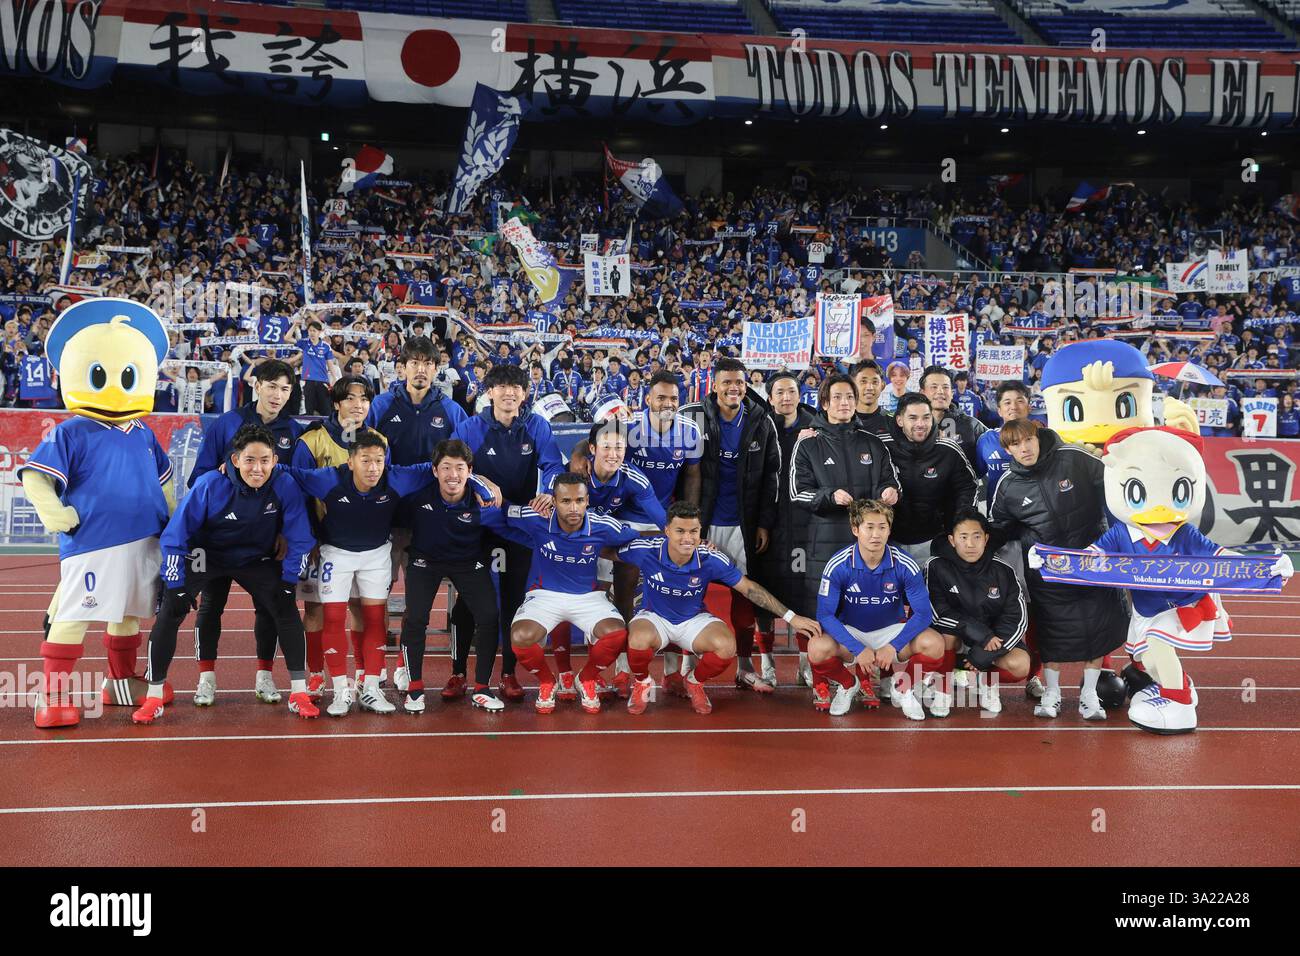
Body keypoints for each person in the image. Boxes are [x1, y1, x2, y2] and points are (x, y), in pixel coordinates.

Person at [135, 425, 316, 724]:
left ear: (274, 460)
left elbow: (300, 538)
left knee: (285, 607)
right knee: (171, 609)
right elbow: (174, 536)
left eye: (264, 461)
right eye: (249, 460)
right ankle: (154, 696)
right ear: (235, 460)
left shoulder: (284, 485)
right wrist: (176, 584)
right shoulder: (209, 484)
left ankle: (298, 692)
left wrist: (288, 580)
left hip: (253, 557)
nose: (257, 468)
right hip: (207, 554)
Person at [282, 429, 454, 716]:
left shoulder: (396, 477)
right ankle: (340, 690)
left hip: (376, 555)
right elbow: (290, 472)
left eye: (378, 460)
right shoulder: (329, 479)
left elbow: (437, 467)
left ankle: (371, 687)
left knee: (375, 619)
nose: (373, 468)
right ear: (350, 462)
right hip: (335, 555)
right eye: (365, 461)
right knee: (333, 618)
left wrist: (480, 478)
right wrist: (241, 464)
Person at [619, 502, 821, 715]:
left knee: (726, 646)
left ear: (700, 532)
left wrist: (792, 617)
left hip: (692, 620)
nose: (687, 538)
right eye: (680, 531)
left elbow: (750, 589)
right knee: (637, 638)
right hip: (655, 618)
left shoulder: (711, 557)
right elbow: (603, 548)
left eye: (693, 531)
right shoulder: (646, 550)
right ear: (667, 530)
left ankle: (694, 681)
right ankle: (642, 682)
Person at [990, 418, 1128, 720]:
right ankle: (1052, 694)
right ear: (1008, 450)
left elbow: (1117, 483)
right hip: (1048, 574)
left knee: (1097, 628)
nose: (1023, 448)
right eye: (1015, 444)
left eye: (1028, 440)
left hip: (1094, 564)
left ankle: (1090, 696)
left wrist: (1120, 537)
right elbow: (1000, 529)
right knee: (1052, 634)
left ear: (1038, 437)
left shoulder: (1074, 458)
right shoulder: (1008, 487)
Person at [186, 359, 302, 707]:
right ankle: (206, 679)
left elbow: (292, 487)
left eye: (285, 389)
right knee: (211, 606)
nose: (277, 395)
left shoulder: (293, 431)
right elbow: (199, 478)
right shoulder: (228, 423)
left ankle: (264, 677)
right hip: (218, 537)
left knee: (268, 608)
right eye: (271, 386)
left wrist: (285, 531)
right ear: (256, 385)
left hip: (262, 537)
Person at [452, 364, 565, 701]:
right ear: (489, 392)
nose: (509, 393)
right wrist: (480, 481)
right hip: (479, 527)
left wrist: (550, 488)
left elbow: (554, 466)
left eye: (516, 387)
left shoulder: (536, 426)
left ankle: (508, 674)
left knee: (515, 604)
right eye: (501, 386)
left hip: (520, 528)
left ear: (525, 394)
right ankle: (458, 672)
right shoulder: (470, 427)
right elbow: (453, 468)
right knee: (467, 603)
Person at [365, 335, 468, 690]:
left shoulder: (451, 410)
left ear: (436, 369)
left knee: (417, 599)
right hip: (384, 516)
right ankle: (373, 666)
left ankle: (403, 664)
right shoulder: (380, 405)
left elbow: (463, 464)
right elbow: (365, 455)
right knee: (376, 594)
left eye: (428, 363)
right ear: (402, 367)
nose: (421, 369)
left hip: (428, 519)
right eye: (414, 362)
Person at [790, 373, 900, 705]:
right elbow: (797, 491)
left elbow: (890, 479)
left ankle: (865, 680)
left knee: (863, 615)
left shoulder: (872, 442)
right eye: (837, 397)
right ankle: (825, 680)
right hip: (826, 541)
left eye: (849, 397)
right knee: (823, 615)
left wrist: (892, 491)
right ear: (824, 403)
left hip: (869, 545)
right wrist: (826, 496)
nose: (844, 403)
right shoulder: (808, 441)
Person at [679, 356, 782, 693]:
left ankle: (744, 665)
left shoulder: (760, 421)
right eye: (727, 382)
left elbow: (771, 477)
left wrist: (764, 522)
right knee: (690, 589)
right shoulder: (693, 416)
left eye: (739, 382)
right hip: (701, 523)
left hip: (743, 523)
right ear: (715, 385)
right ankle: (685, 664)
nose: (734, 388)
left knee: (743, 595)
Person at [506, 474, 640, 713]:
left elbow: (635, 539)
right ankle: (547, 682)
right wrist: (486, 489)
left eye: (579, 500)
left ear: (588, 500)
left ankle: (586, 678)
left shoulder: (603, 524)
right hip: (544, 595)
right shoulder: (536, 518)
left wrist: (686, 542)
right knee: (520, 636)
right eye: (566, 501)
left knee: (617, 633)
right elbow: (499, 511)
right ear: (553, 501)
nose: (574, 507)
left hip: (587, 598)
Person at [402, 440, 514, 713]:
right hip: (424, 561)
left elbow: (513, 523)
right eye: (446, 468)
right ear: (434, 471)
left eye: (460, 468)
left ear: (470, 471)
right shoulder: (417, 497)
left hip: (467, 562)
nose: (453, 475)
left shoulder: (484, 502)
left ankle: (481, 688)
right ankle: (414, 688)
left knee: (488, 615)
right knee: (415, 617)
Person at [810, 499, 948, 718]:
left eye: (882, 527)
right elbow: (824, 615)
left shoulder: (904, 563)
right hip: (852, 631)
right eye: (869, 527)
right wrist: (857, 648)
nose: (876, 534)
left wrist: (893, 646)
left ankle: (903, 688)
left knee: (935, 644)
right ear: (855, 529)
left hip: (890, 631)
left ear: (889, 529)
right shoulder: (838, 564)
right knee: (816, 648)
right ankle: (848, 685)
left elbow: (923, 614)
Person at [292, 375, 383, 695]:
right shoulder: (311, 441)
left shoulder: (378, 440)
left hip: (363, 544)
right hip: (321, 542)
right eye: (351, 398)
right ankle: (316, 673)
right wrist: (309, 539)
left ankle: (361, 671)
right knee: (316, 609)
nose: (358, 405)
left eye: (364, 399)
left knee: (359, 607)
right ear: (336, 403)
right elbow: (298, 494)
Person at [926, 509, 1031, 715]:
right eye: (963, 537)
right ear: (952, 540)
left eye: (976, 537)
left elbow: (1017, 619)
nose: (970, 544)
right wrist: (979, 634)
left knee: (1020, 665)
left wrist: (984, 653)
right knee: (947, 636)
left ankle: (986, 680)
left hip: (992, 640)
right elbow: (938, 613)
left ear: (986, 538)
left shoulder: (1004, 570)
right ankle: (943, 689)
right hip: (958, 636)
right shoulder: (936, 566)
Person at [753, 371, 819, 687]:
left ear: (799, 394)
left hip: (807, 526)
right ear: (770, 398)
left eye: (791, 391)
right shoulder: (759, 428)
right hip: (771, 525)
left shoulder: (817, 427)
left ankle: (807, 663)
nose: (786, 397)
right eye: (779, 392)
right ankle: (766, 662)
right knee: (764, 597)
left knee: (806, 596)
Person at [884, 393, 977, 562]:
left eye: (926, 417)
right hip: (888, 541)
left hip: (934, 540)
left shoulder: (948, 449)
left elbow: (968, 487)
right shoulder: (882, 446)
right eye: (913, 418)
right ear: (899, 420)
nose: (920, 424)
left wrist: (959, 525)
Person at [921, 365, 988, 468]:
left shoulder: (972, 425)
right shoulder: (910, 425)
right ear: (922, 393)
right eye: (934, 387)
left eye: (945, 387)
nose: (940, 391)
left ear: (952, 393)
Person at [298, 321, 339, 415]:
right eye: (310, 330)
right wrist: (295, 326)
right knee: (309, 410)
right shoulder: (304, 343)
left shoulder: (326, 346)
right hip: (308, 380)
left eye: (314, 330)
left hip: (323, 381)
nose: (312, 333)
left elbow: (330, 364)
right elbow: (287, 338)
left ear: (319, 332)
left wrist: (335, 378)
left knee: (326, 410)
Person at [849, 359, 890, 437]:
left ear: (883, 386)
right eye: (863, 381)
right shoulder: (841, 421)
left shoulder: (894, 422)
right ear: (852, 385)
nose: (869, 387)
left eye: (875, 382)